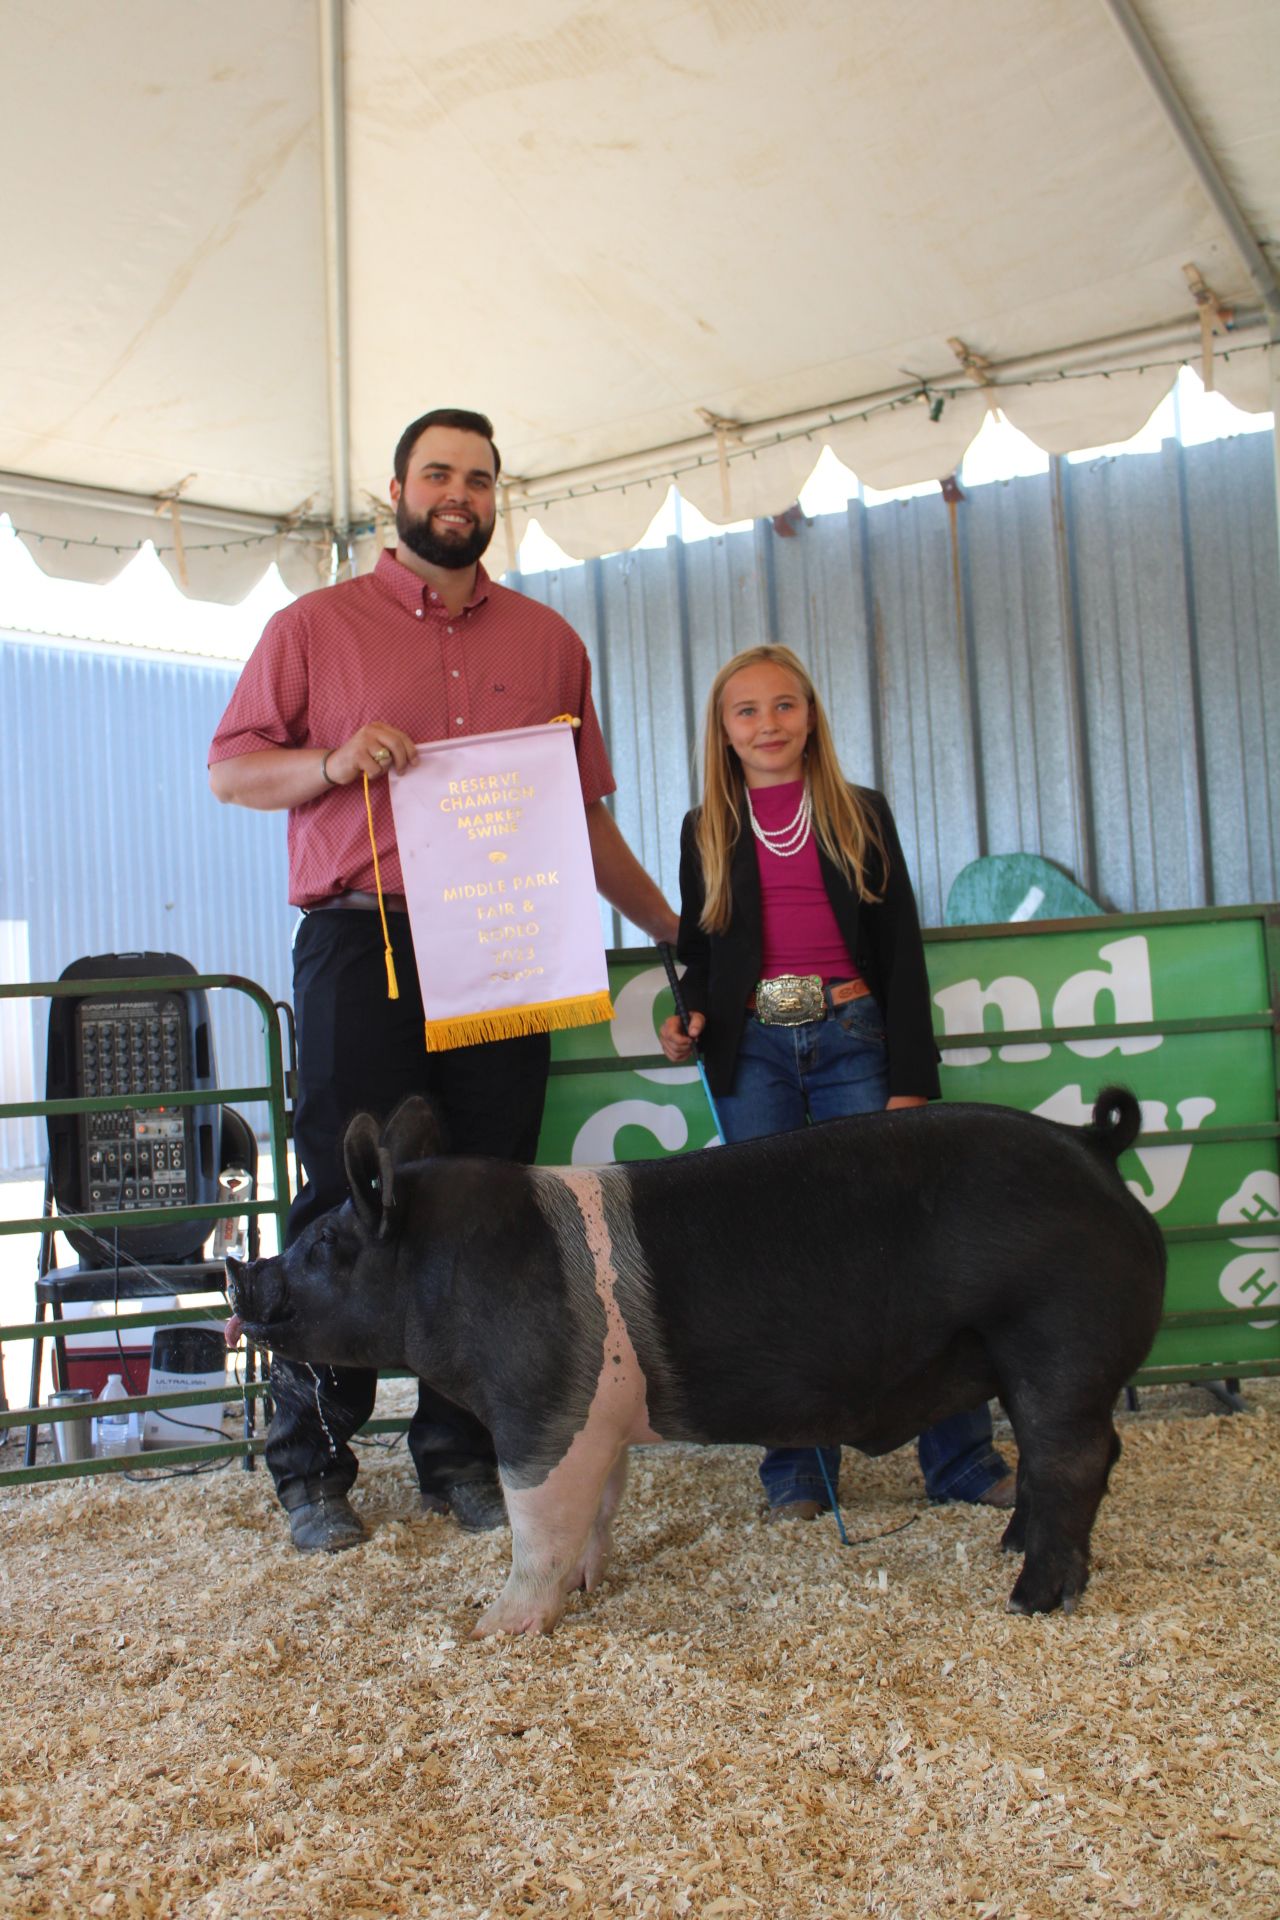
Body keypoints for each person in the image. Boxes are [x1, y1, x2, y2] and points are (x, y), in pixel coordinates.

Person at [210, 406, 677, 1553]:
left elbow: (582, 815)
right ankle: (312, 1463)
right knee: (340, 1187)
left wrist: (672, 926)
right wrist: (328, 762)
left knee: (488, 1196)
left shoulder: (547, 642)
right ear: (396, 491)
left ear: (495, 495)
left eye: (476, 476)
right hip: (362, 936)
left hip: (507, 942)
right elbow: (231, 771)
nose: (456, 492)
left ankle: (459, 1453)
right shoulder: (312, 626)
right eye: (435, 473)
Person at [658, 643, 1014, 1522]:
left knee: (907, 1252)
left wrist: (911, 1079)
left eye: (785, 706)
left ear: (811, 715)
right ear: (723, 730)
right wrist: (689, 1016)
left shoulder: (859, 813)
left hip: (857, 1036)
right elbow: (701, 957)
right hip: (755, 1056)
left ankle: (961, 1458)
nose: (768, 724)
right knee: (777, 1262)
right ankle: (799, 1472)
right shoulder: (705, 828)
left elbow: (900, 950)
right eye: (747, 711)